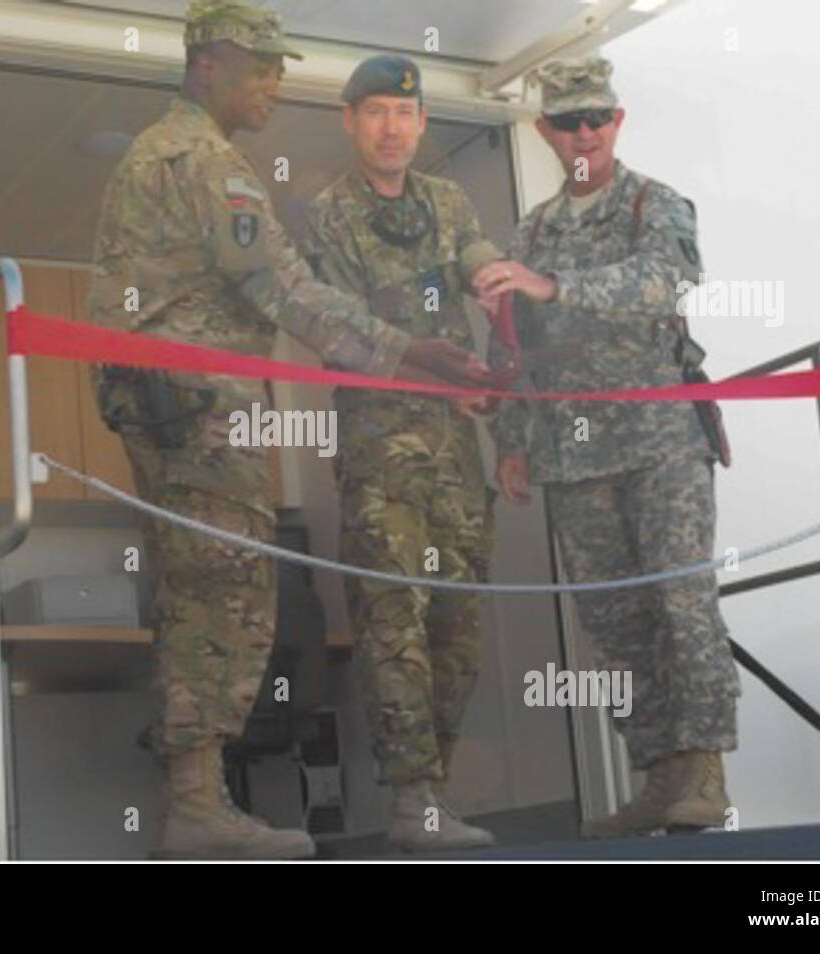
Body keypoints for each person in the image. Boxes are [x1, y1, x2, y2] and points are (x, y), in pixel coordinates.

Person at [87, 1, 494, 859]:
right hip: (199, 412)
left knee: (195, 591)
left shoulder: (159, 152)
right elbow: (286, 289)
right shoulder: (205, 161)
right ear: (210, 63)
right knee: (224, 594)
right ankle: (196, 809)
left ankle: (192, 804)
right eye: (261, 64)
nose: (275, 81)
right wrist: (408, 351)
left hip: (172, 404)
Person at [479, 56, 740, 838]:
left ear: (617, 123)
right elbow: (515, 348)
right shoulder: (531, 232)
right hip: (575, 455)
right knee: (615, 621)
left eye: (597, 117)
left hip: (660, 446)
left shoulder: (652, 205)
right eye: (568, 121)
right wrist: (514, 438)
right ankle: (659, 773)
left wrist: (557, 286)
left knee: (681, 603)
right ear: (545, 132)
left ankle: (702, 768)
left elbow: (666, 280)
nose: (584, 132)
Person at [302, 55, 511, 851]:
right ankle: (411, 800)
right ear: (350, 122)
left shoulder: (446, 200)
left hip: (456, 449)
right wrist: (431, 362)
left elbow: (472, 257)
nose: (392, 128)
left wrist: (494, 278)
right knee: (395, 622)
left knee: (458, 627)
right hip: (381, 449)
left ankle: (438, 793)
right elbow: (341, 330)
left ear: (423, 124)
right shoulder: (329, 215)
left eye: (405, 113)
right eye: (376, 112)